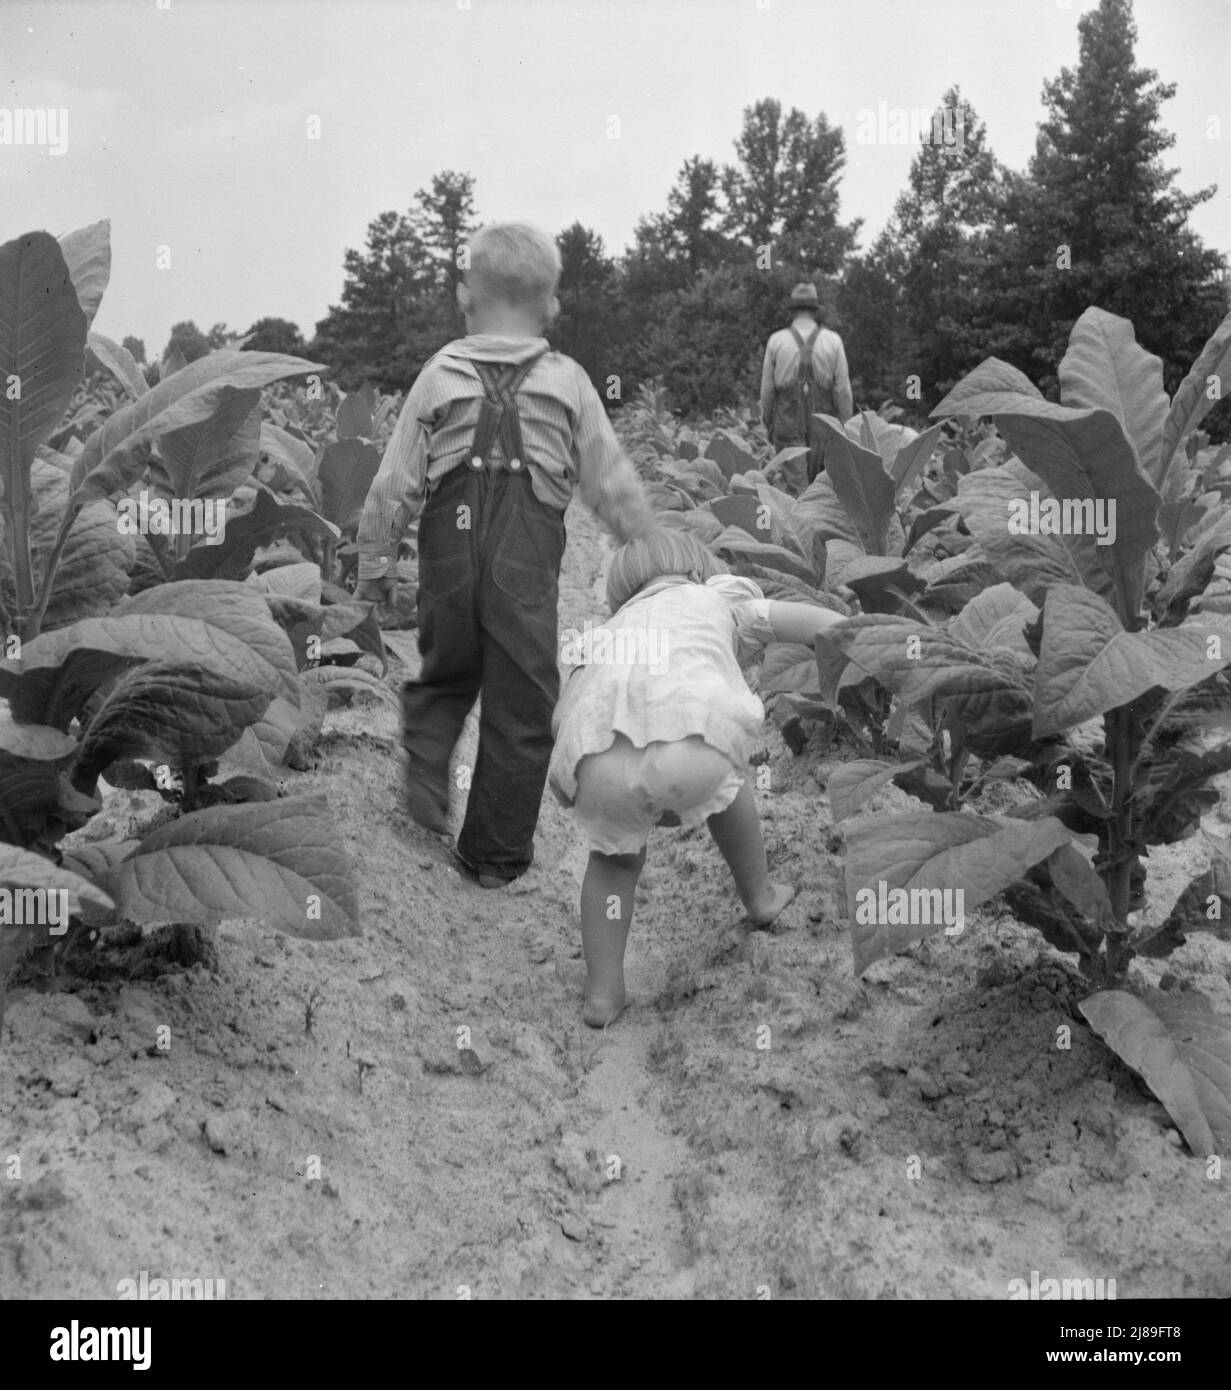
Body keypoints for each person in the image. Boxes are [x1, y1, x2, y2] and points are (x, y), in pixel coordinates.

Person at [355, 222, 656, 888]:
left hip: (448, 545)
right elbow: (608, 479)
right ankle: (491, 855)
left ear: (467, 296)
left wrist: (373, 569)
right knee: (523, 700)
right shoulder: (568, 381)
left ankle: (428, 770)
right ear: (549, 306)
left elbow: (394, 484)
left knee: (445, 667)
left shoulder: (439, 374)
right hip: (525, 553)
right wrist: (647, 548)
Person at [548, 528, 847, 1026]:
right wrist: (863, 638)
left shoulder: (601, 636)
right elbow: (815, 623)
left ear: (622, 597)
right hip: (689, 746)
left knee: (613, 863)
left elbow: (562, 720)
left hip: (598, 762)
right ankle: (761, 897)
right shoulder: (718, 599)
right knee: (728, 787)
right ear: (696, 571)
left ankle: (603, 993)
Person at [759, 282, 854, 489]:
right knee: (822, 488)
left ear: (792, 310)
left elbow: (767, 391)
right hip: (824, 422)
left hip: (787, 420)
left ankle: (798, 519)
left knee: (795, 487)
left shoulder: (776, 341)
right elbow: (843, 392)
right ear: (814, 311)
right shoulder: (833, 341)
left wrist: (767, 422)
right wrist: (846, 428)